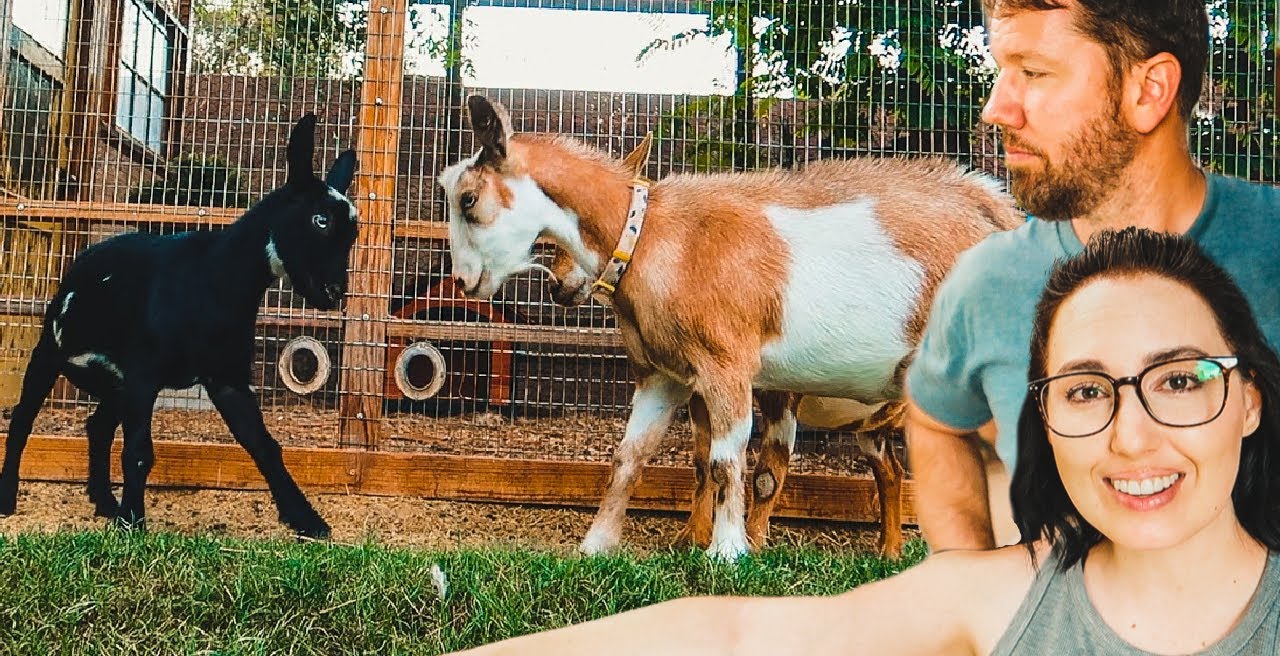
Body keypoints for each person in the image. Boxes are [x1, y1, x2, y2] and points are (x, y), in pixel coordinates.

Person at [448, 228, 1280, 655]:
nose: (1132, 437)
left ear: (1249, 400)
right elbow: (734, 638)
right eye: (1087, 391)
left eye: (1180, 380)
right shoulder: (1009, 598)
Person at [904, 0, 1280, 552]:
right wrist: (971, 578)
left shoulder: (1274, 247)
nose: (997, 108)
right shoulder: (988, 280)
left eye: (1032, 72)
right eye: (1002, 72)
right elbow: (934, 419)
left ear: (1148, 90)